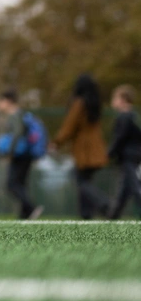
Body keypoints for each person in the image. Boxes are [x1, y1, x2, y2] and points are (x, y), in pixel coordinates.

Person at [53, 74, 109, 219]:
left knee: (80, 181)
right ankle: (86, 215)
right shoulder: (95, 104)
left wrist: (57, 142)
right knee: (85, 180)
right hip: (96, 148)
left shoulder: (79, 103)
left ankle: (102, 202)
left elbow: (69, 126)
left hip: (84, 150)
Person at [0, 90, 47, 220]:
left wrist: (10, 152)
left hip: (20, 154)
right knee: (21, 183)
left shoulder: (15, 115)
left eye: (1, 101)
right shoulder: (23, 114)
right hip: (27, 153)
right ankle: (25, 214)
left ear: (8, 101)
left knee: (11, 184)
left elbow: (17, 133)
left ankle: (31, 207)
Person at [107, 85, 141, 220]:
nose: (113, 102)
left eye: (115, 98)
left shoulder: (124, 117)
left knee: (134, 186)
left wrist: (109, 153)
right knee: (124, 189)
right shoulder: (135, 116)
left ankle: (113, 216)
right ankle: (113, 216)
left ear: (123, 100)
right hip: (135, 155)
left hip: (128, 156)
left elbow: (120, 138)